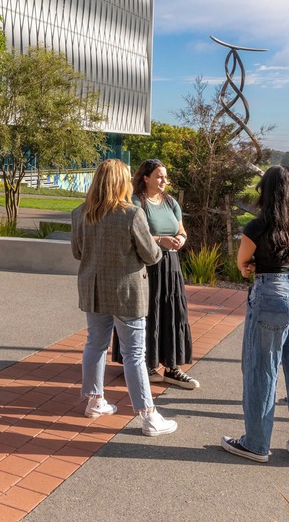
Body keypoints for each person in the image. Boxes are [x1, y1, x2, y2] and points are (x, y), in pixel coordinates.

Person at [221, 166, 289, 468]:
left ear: (264, 191)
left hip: (271, 296)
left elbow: (242, 263)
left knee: (261, 371)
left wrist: (250, 267)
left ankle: (255, 443)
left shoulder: (257, 226)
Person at [71, 159, 177, 435]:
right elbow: (152, 256)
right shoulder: (132, 214)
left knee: (95, 344)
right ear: (122, 182)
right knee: (134, 354)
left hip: (93, 289)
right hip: (127, 292)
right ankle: (149, 415)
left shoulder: (80, 212)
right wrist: (156, 242)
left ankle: (95, 401)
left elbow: (78, 252)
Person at [113, 159, 199, 390]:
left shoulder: (171, 202)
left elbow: (181, 230)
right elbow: (132, 235)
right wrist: (159, 240)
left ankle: (173, 366)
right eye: (159, 176)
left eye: (165, 176)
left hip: (171, 264)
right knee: (148, 311)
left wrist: (181, 238)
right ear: (146, 178)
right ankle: (146, 363)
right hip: (146, 265)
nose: (164, 180)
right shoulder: (136, 202)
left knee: (173, 312)